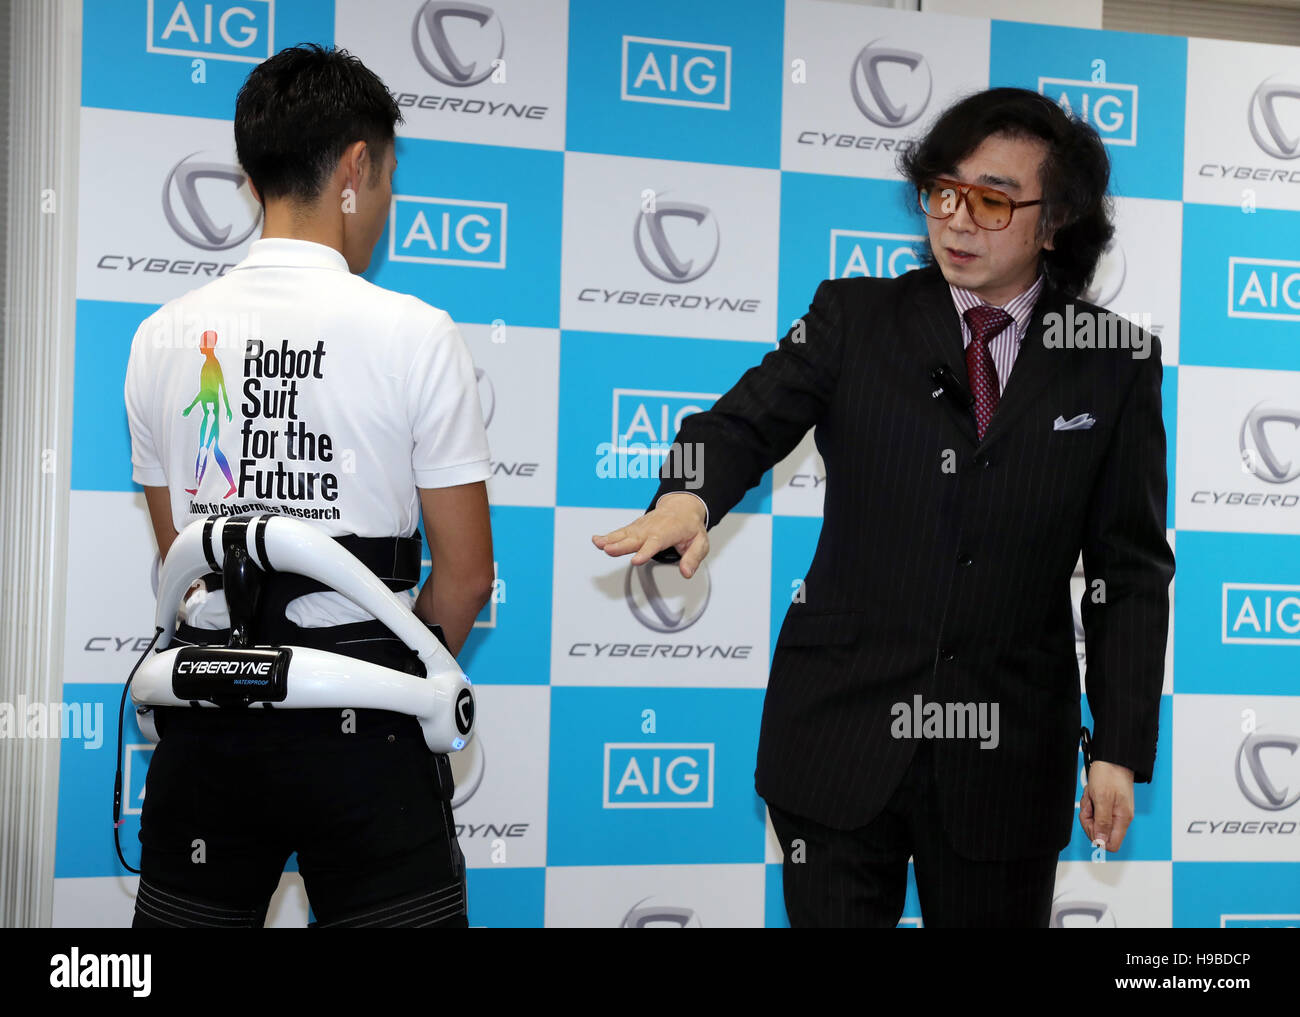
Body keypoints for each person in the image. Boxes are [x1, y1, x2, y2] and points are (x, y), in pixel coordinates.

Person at [592, 87, 1174, 927]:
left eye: (992, 198)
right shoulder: (854, 318)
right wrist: (688, 491)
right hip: (838, 736)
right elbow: (734, 423)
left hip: (1005, 761)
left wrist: (1117, 745)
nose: (958, 220)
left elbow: (1129, 568)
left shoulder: (1113, 362)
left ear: (1055, 221)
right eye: (943, 192)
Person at [123, 43, 495, 928]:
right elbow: (470, 576)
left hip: (209, 722)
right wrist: (384, 667)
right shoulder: (417, 332)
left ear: (256, 173)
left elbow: (184, 554)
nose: (389, 206)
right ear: (357, 168)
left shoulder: (159, 338)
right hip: (364, 733)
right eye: (392, 179)